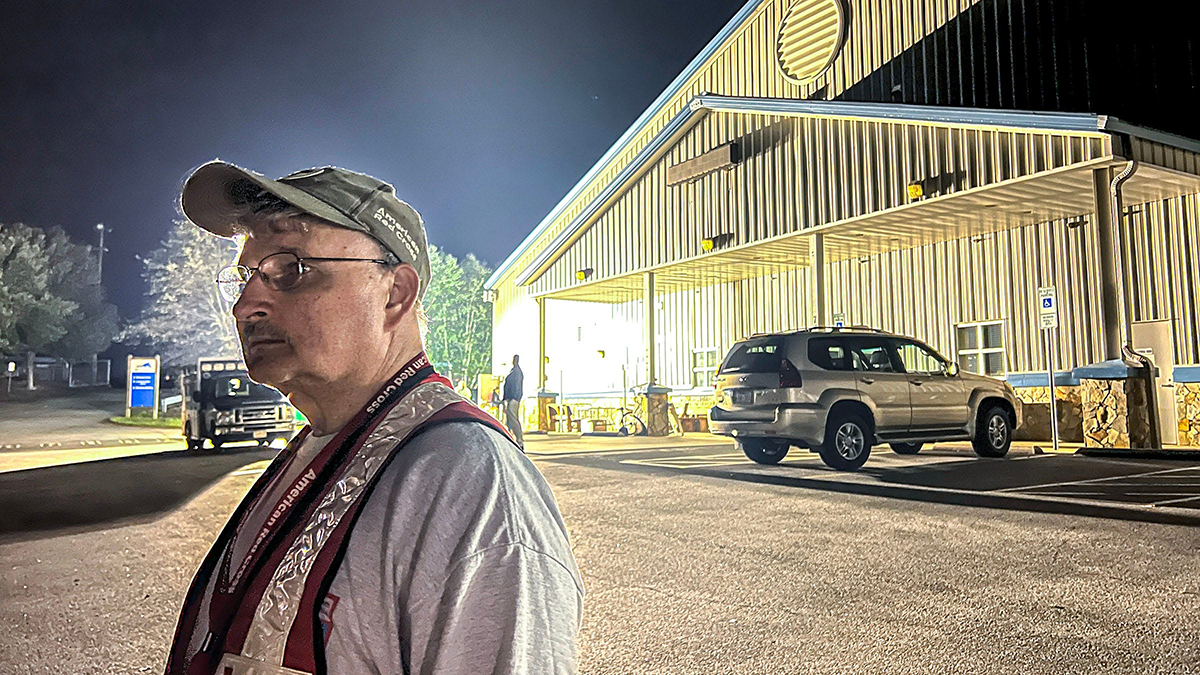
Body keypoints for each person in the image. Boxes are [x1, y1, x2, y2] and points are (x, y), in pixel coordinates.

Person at [165, 161, 583, 675]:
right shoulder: (320, 447)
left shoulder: (469, 484)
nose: (245, 306)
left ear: (394, 294)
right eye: (245, 277)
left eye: (290, 269)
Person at [502, 355, 524, 447]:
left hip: (513, 399)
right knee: (510, 419)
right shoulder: (514, 371)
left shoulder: (516, 372)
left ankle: (519, 440)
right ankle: (514, 438)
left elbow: (516, 386)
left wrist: (514, 398)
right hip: (511, 398)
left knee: (513, 419)